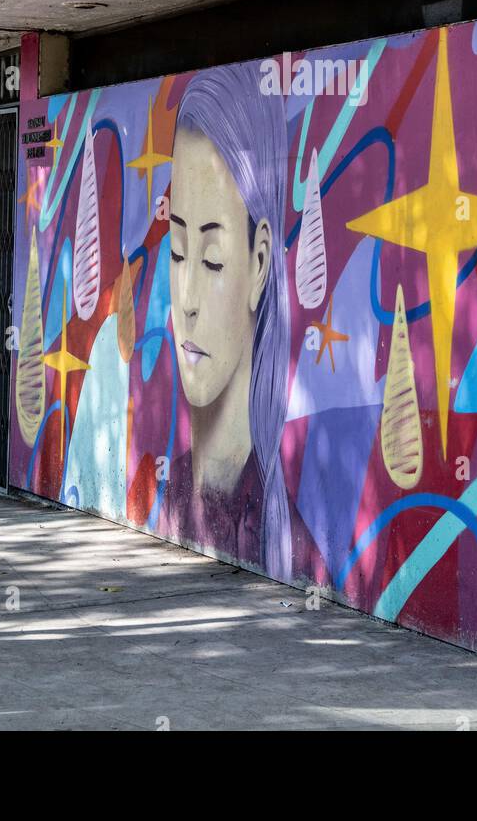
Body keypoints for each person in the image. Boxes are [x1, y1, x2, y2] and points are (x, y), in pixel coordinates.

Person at [166, 62, 293, 581]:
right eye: (176, 251)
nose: (188, 300)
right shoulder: (160, 490)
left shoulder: (288, 544)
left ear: (260, 261)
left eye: (213, 260)